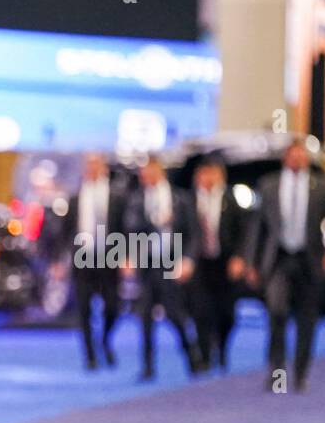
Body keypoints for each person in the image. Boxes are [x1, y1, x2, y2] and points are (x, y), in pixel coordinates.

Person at [245, 140, 325, 392]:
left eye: (301, 156)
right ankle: (277, 371)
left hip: (309, 259)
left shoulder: (322, 187)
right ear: (285, 158)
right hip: (279, 259)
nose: (297, 160)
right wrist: (251, 261)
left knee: (307, 319)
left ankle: (301, 373)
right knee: (277, 312)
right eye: (292, 156)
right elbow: (257, 227)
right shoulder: (269, 185)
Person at [120, 155, 203, 381]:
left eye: (150, 171)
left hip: (171, 262)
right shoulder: (136, 200)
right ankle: (147, 366)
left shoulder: (180, 198)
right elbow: (130, 230)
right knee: (144, 315)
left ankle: (192, 356)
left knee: (175, 315)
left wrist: (187, 260)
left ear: (160, 171)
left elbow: (193, 233)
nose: (145, 176)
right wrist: (128, 256)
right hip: (147, 264)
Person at [55, 153, 127, 369]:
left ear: (104, 168)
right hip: (82, 257)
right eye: (89, 165)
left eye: (96, 165)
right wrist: (60, 260)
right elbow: (65, 231)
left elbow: (123, 229)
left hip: (109, 257)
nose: (92, 169)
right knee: (84, 308)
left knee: (113, 306)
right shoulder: (76, 198)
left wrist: (126, 257)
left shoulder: (116, 196)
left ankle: (105, 340)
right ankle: (90, 356)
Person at [186, 156, 249, 371]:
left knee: (227, 313)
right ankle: (204, 355)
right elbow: (183, 233)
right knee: (201, 311)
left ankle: (221, 347)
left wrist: (240, 258)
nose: (207, 178)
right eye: (203, 173)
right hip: (200, 264)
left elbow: (244, 232)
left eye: (211, 173)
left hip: (225, 264)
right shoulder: (189, 201)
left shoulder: (231, 199)